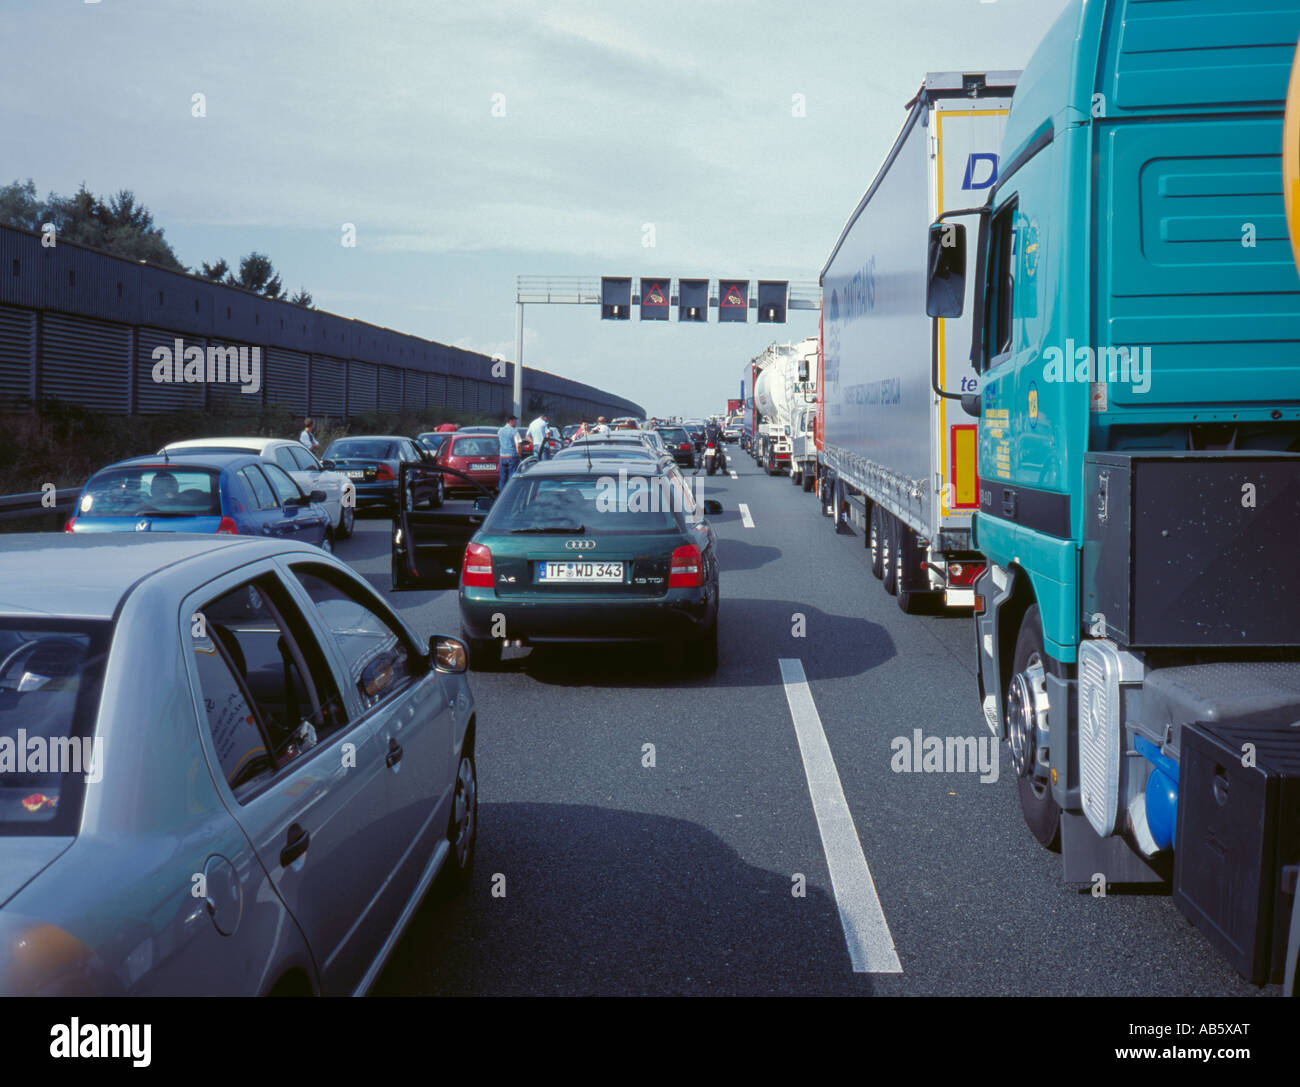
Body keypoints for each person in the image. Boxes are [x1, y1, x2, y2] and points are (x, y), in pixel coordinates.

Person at [497, 413, 522, 489]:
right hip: (512, 456)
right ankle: (511, 491)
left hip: (503, 456)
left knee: (503, 477)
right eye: (515, 420)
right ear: (510, 421)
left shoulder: (500, 431)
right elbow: (518, 445)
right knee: (512, 476)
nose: (516, 422)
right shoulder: (514, 431)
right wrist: (520, 455)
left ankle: (502, 493)